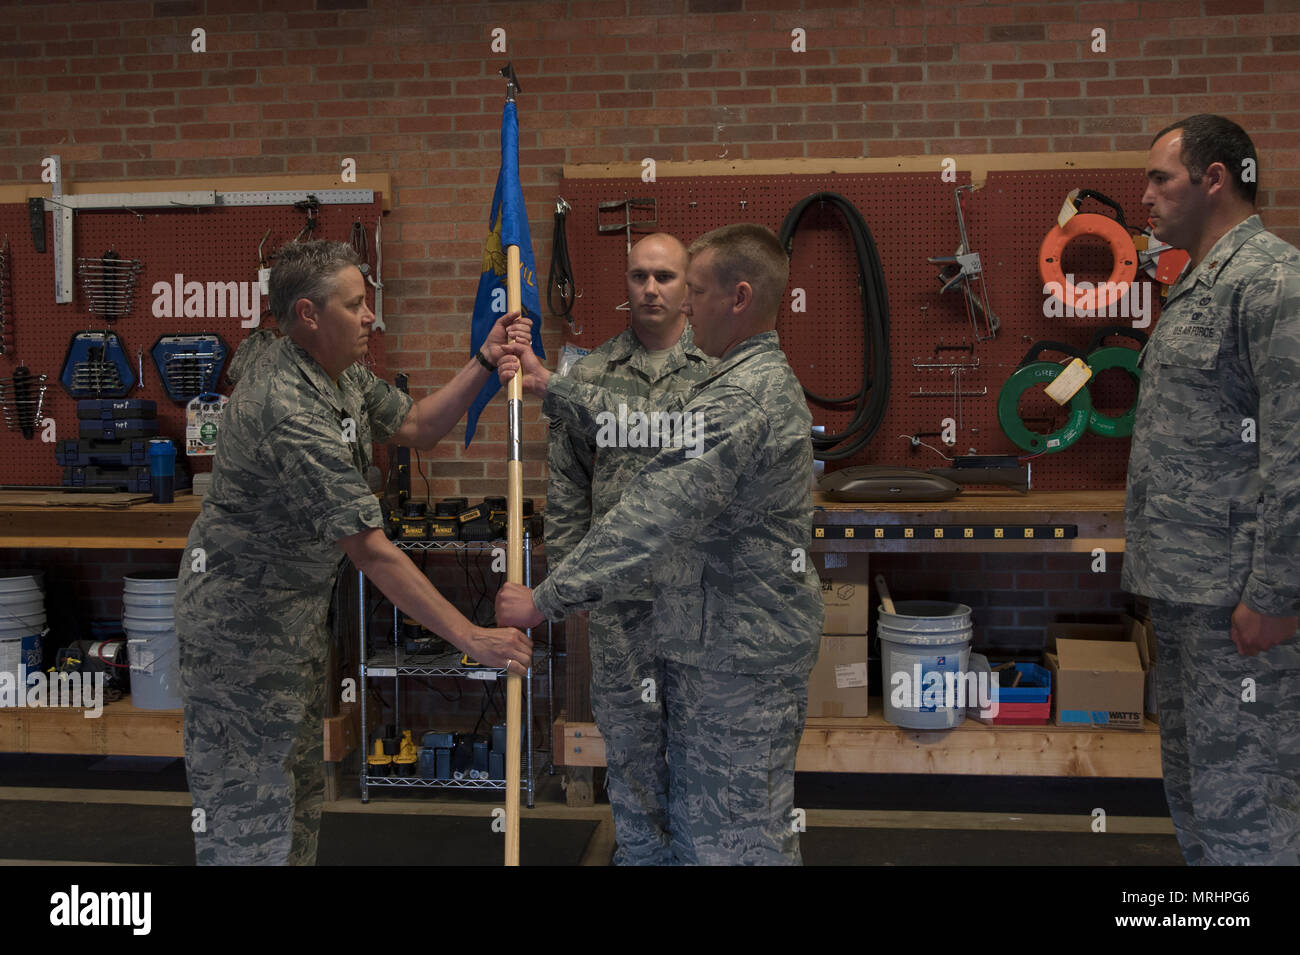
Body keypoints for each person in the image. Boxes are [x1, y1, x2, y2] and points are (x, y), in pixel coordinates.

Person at [174, 240, 533, 866]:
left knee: (297, 797)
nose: (372, 317)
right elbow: (371, 551)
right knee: (250, 815)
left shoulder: (336, 371)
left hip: (291, 624)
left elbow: (418, 426)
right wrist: (472, 639)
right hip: (241, 639)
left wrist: (485, 359)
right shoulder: (287, 406)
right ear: (310, 314)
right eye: (357, 304)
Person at [497, 224, 823, 865]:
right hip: (708, 641)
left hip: (738, 653)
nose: (681, 303)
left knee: (733, 838)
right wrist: (552, 387)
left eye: (691, 289)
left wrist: (545, 599)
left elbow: (653, 509)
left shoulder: (740, 396)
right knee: (704, 820)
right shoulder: (733, 385)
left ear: (738, 298)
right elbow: (646, 426)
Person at [1124, 114, 1300, 865]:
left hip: (1242, 608)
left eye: (1161, 178)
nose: (1147, 195)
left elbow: (1293, 451)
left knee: (1250, 815)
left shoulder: (1271, 283)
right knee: (1198, 801)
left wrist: (1275, 595)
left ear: (1214, 179)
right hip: (1190, 599)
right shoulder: (1198, 281)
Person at [547, 233, 712, 865]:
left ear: (688, 288)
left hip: (701, 599)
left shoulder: (718, 375)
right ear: (625, 283)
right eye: (640, 275)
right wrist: (570, 585)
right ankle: (642, 856)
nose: (651, 288)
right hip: (621, 603)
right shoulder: (586, 378)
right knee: (632, 746)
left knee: (700, 744)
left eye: (665, 277)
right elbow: (566, 489)